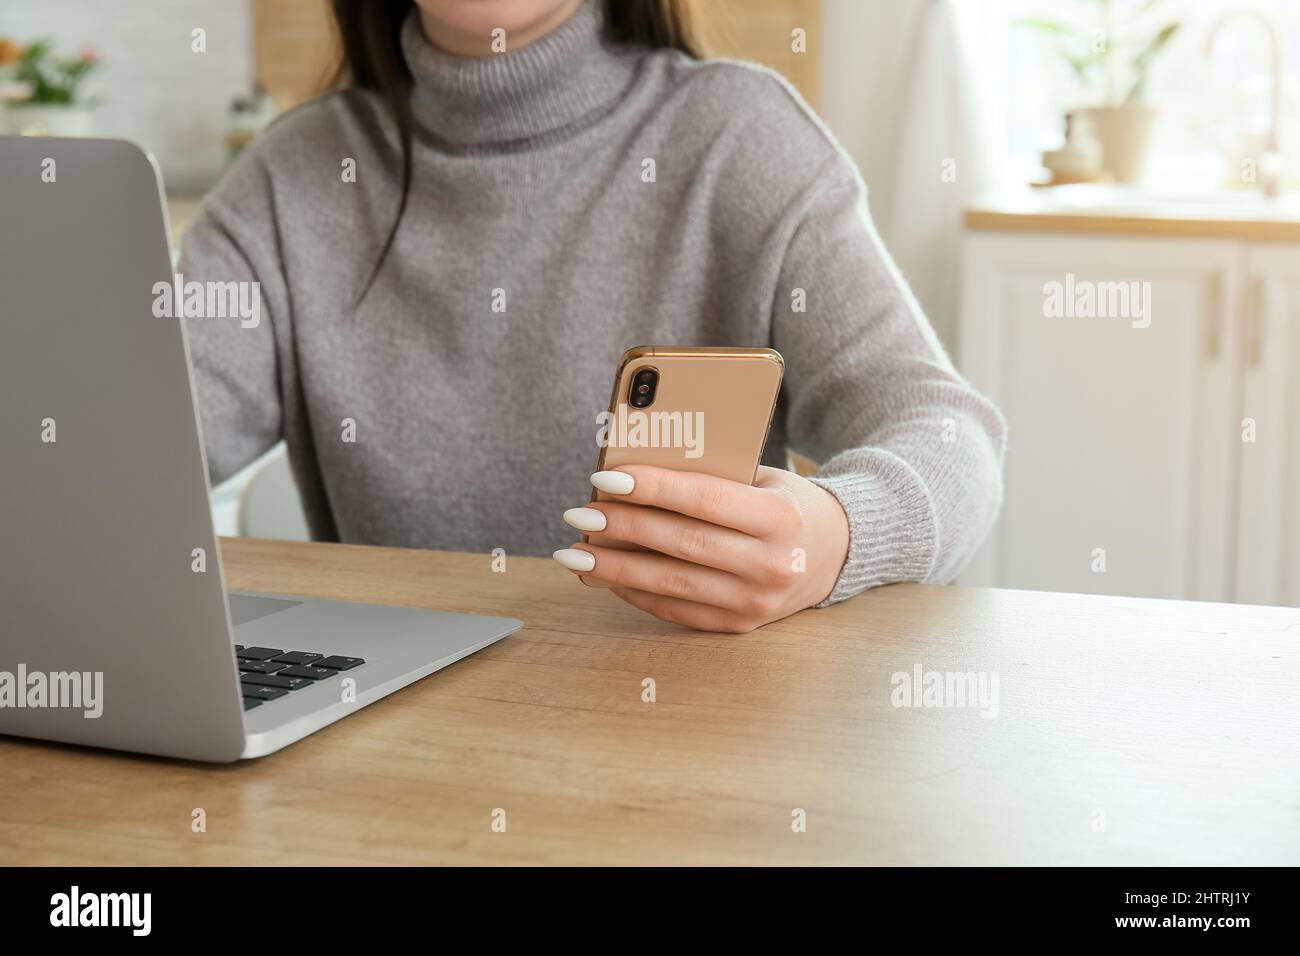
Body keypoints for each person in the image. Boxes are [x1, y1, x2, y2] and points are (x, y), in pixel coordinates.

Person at [180, 0, 1006, 633]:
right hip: (390, 766)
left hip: (681, 759)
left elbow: (947, 437)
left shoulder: (739, 138)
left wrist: (831, 534)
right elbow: (127, 447)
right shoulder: (291, 179)